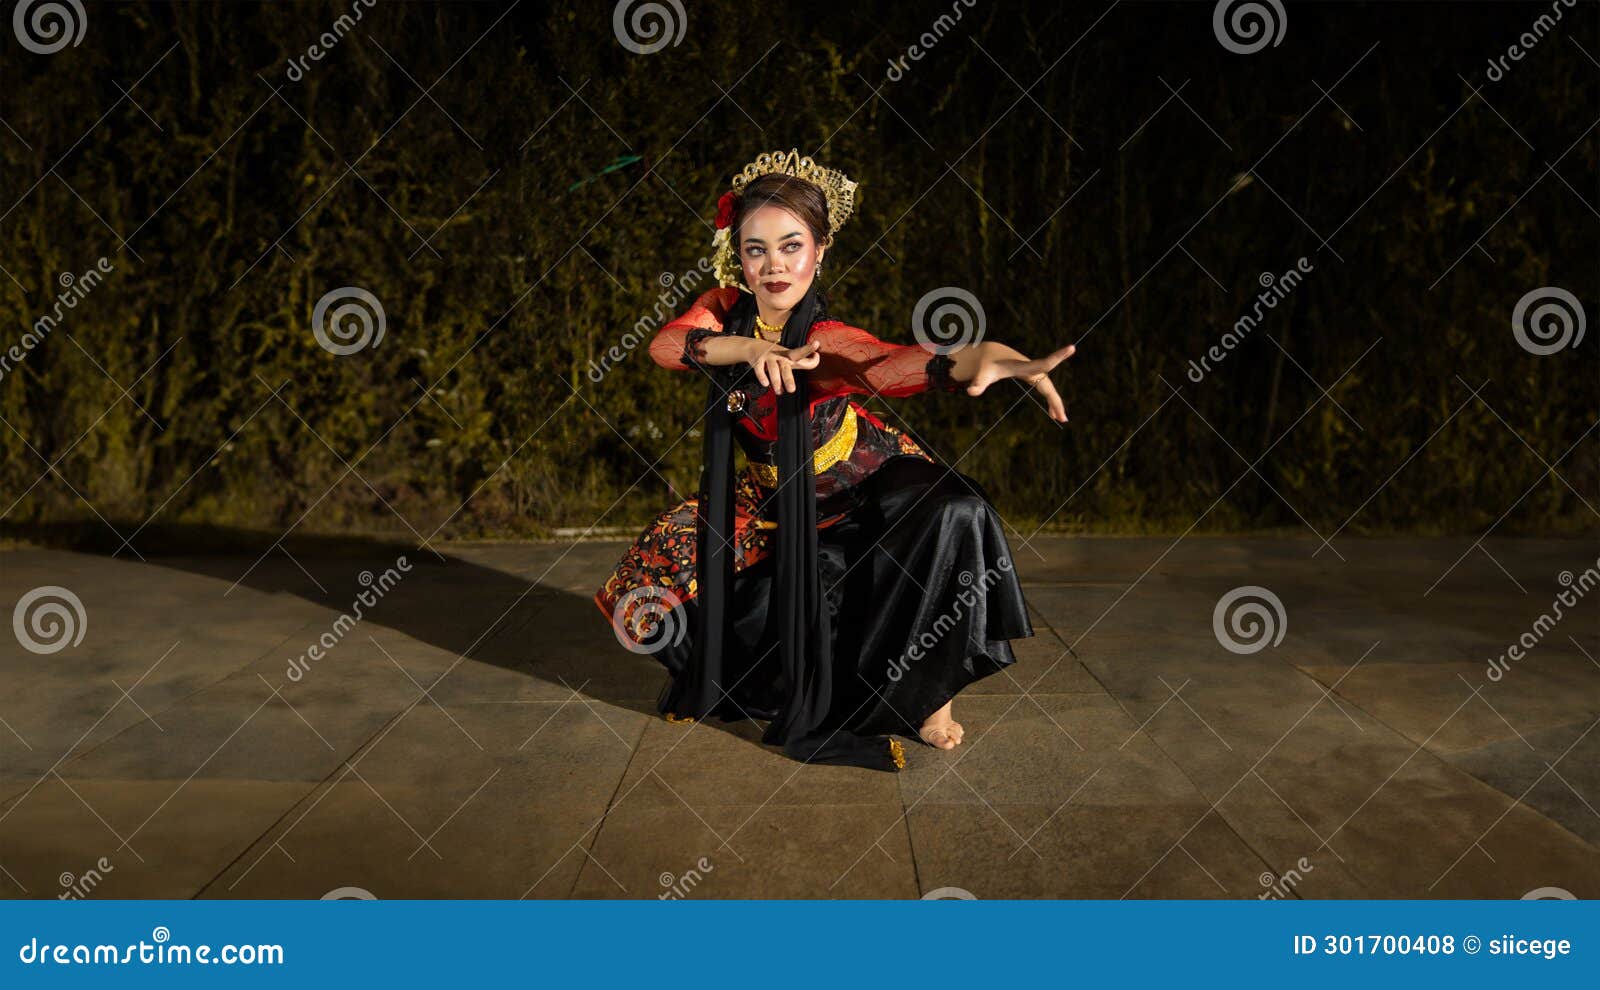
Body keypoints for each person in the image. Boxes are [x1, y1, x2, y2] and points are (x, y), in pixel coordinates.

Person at [594, 149, 1075, 771]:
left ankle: (932, 697)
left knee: (953, 514)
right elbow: (664, 346)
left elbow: (891, 364)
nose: (774, 265)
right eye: (756, 248)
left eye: (791, 246)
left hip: (866, 475)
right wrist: (745, 345)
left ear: (819, 251)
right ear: (736, 255)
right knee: (657, 581)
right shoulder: (719, 308)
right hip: (773, 492)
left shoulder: (823, 340)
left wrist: (976, 360)